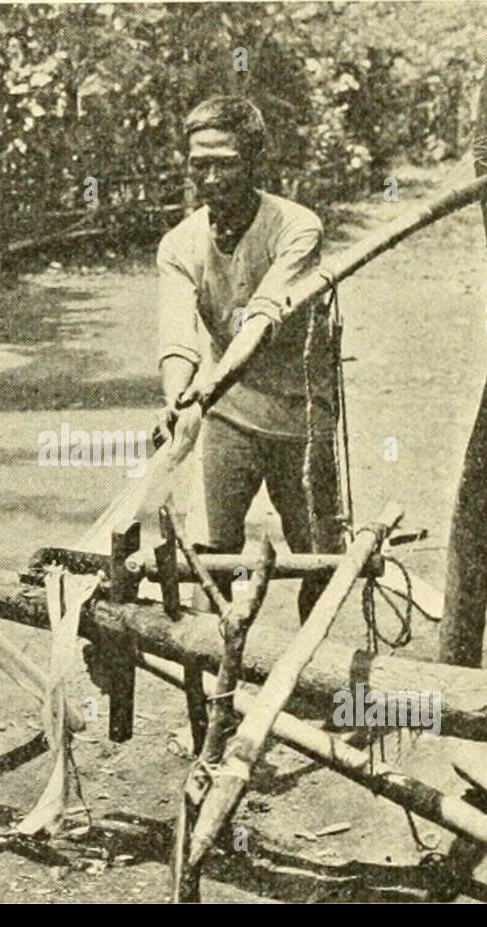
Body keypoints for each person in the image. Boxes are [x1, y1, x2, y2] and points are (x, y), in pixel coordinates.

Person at [154, 95, 342, 621]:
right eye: (199, 163)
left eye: (226, 162)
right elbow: (177, 336)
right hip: (229, 415)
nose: (210, 177)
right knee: (210, 560)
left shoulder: (296, 227)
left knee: (319, 559)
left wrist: (206, 390)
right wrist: (178, 398)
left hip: (303, 417)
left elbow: (264, 317)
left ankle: (314, 679)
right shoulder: (179, 243)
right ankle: (212, 686)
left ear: (255, 161)